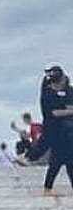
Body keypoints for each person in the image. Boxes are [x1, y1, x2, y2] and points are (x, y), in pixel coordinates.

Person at [40, 65, 72, 196]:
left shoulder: (67, 92)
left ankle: (48, 188)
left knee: (65, 162)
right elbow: (53, 113)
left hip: (65, 132)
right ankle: (47, 188)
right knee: (59, 161)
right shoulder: (48, 94)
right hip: (58, 132)